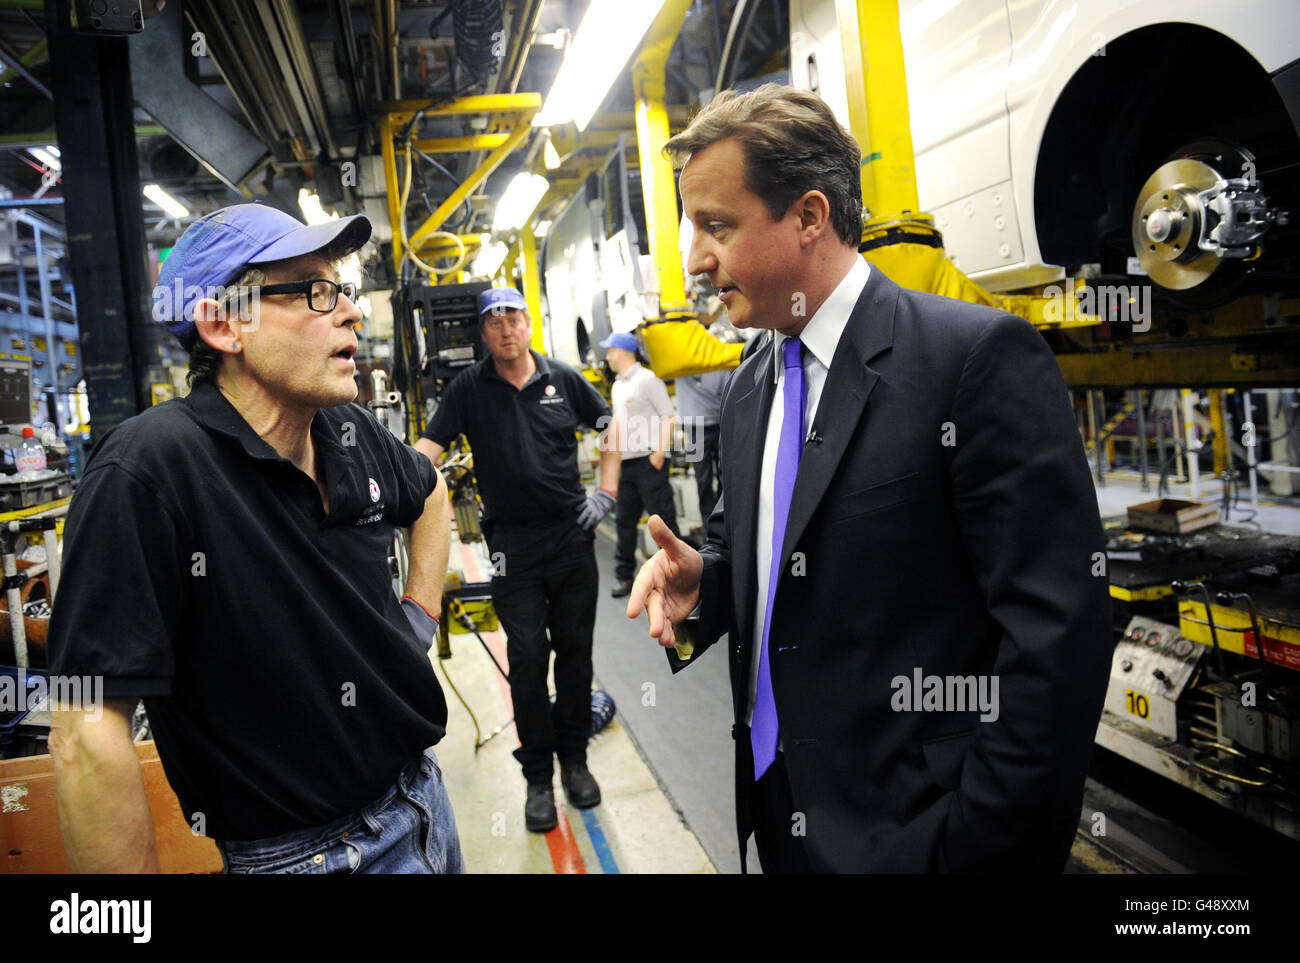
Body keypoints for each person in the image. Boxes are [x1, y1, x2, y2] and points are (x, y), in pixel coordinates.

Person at [626, 85, 1113, 873]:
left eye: (717, 225)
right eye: (693, 226)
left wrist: (978, 848)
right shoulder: (753, 385)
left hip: (918, 835)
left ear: (810, 217)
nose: (695, 258)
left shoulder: (972, 359)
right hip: (779, 814)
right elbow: (762, 555)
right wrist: (707, 585)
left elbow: (1058, 640)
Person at [46, 203, 463, 873]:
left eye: (344, 289)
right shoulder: (152, 468)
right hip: (305, 857)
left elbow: (431, 493)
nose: (352, 312)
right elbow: (87, 723)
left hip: (422, 801)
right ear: (222, 324)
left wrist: (416, 615)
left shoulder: (347, 432)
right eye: (315, 291)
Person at [415, 287, 620, 833]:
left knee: (575, 652)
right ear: (483, 333)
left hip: (571, 537)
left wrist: (607, 492)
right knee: (528, 656)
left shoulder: (563, 380)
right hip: (510, 547)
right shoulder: (469, 388)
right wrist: (385, 482)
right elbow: (427, 450)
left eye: (514, 319)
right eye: (494, 322)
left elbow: (612, 429)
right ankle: (537, 777)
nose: (506, 329)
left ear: (529, 325)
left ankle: (574, 760)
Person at [602, 331, 679, 598]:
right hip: (626, 464)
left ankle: (676, 575)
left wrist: (659, 455)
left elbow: (668, 417)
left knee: (663, 521)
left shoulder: (647, 380)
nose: (608, 356)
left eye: (610, 351)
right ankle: (624, 577)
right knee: (625, 521)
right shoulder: (617, 385)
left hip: (648, 463)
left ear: (621, 352)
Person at [674, 362, 728, 524]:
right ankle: (709, 525)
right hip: (694, 428)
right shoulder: (678, 364)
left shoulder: (718, 364)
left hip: (720, 424)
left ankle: (724, 518)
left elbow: (729, 392)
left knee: (725, 476)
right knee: (702, 479)